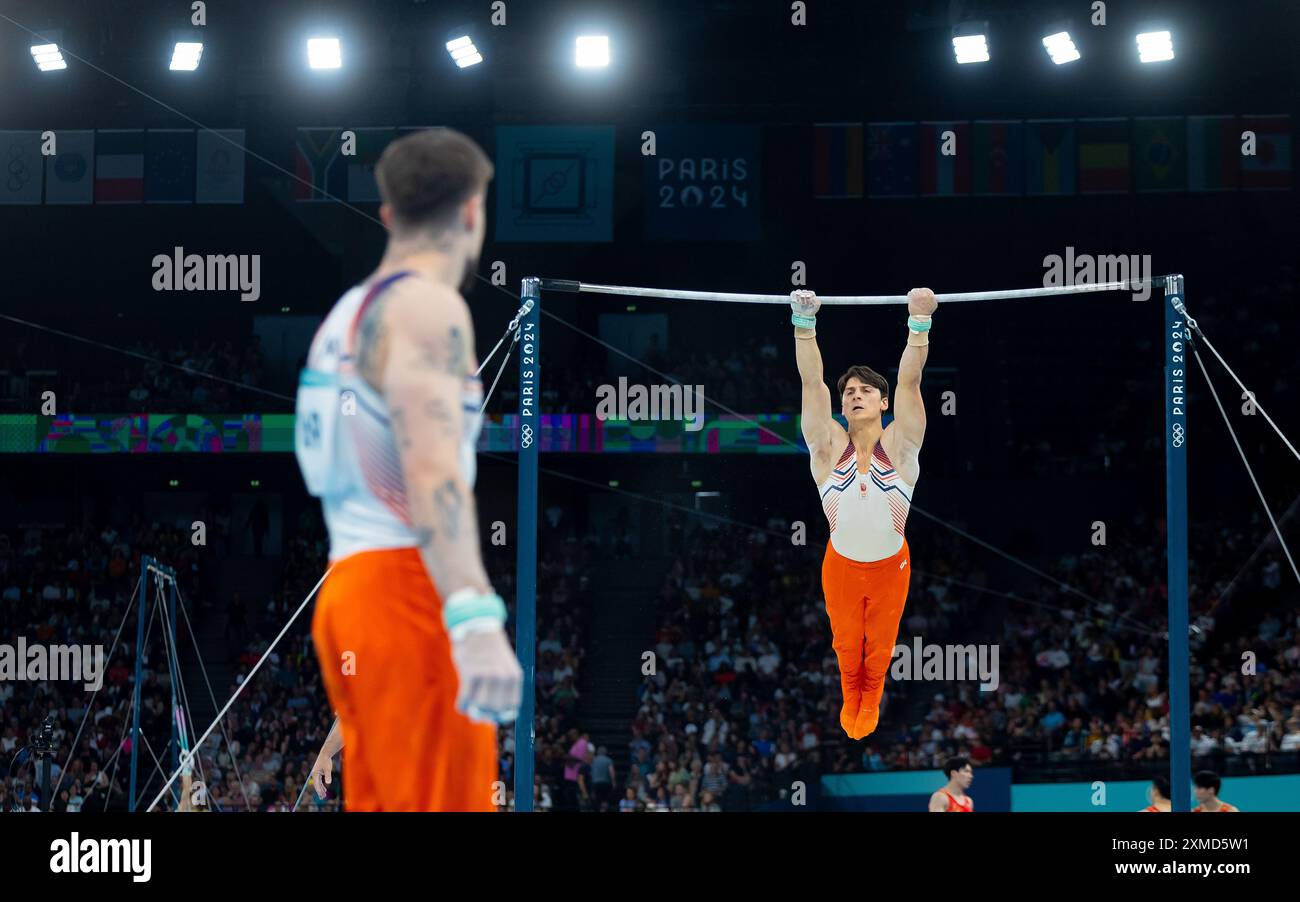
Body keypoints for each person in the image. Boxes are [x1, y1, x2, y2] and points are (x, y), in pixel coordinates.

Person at [295, 128, 521, 811]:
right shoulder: (428, 308)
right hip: (404, 590)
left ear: (389, 215)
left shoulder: (344, 316)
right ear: (474, 213)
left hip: (349, 589)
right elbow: (431, 477)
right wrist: (476, 618)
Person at [792, 287, 936, 739]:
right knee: (845, 648)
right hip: (841, 567)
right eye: (850, 391)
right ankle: (851, 696)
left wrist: (918, 323)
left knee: (878, 654)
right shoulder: (827, 443)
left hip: (892, 567)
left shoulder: (900, 444)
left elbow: (910, 382)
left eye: (867, 390)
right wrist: (804, 324)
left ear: (883, 403)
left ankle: (869, 700)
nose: (856, 395)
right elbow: (811, 384)